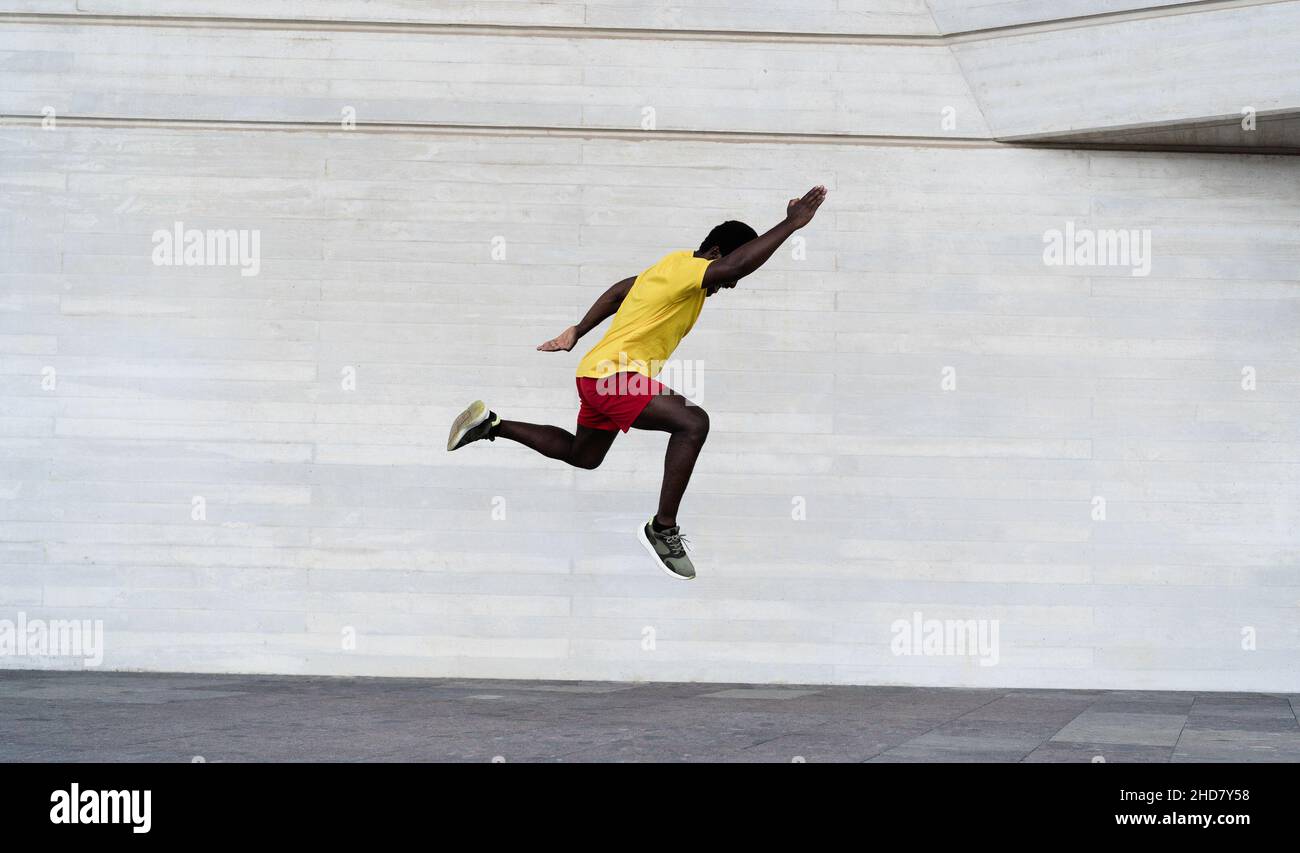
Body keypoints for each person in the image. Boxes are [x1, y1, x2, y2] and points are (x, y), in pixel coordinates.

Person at [448, 185, 828, 579]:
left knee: (584, 455)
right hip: (612, 377)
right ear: (716, 253)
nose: (730, 285)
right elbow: (735, 267)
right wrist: (791, 224)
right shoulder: (688, 269)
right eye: (730, 271)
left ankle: (491, 425)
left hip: (598, 374)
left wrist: (578, 330)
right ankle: (663, 529)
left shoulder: (669, 268)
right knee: (693, 422)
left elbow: (618, 292)